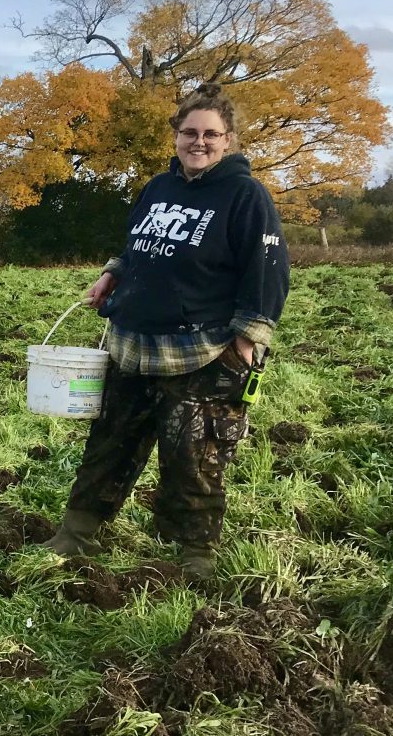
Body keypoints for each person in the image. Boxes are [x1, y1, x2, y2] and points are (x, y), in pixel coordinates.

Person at [41, 93, 289, 579]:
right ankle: (77, 532)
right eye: (190, 133)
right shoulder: (156, 188)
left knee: (194, 457)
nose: (199, 142)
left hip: (202, 348)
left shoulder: (245, 196)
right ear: (176, 137)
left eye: (210, 134)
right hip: (132, 342)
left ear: (227, 140)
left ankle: (195, 552)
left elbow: (269, 270)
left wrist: (249, 336)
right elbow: (138, 244)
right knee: (109, 443)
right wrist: (112, 273)